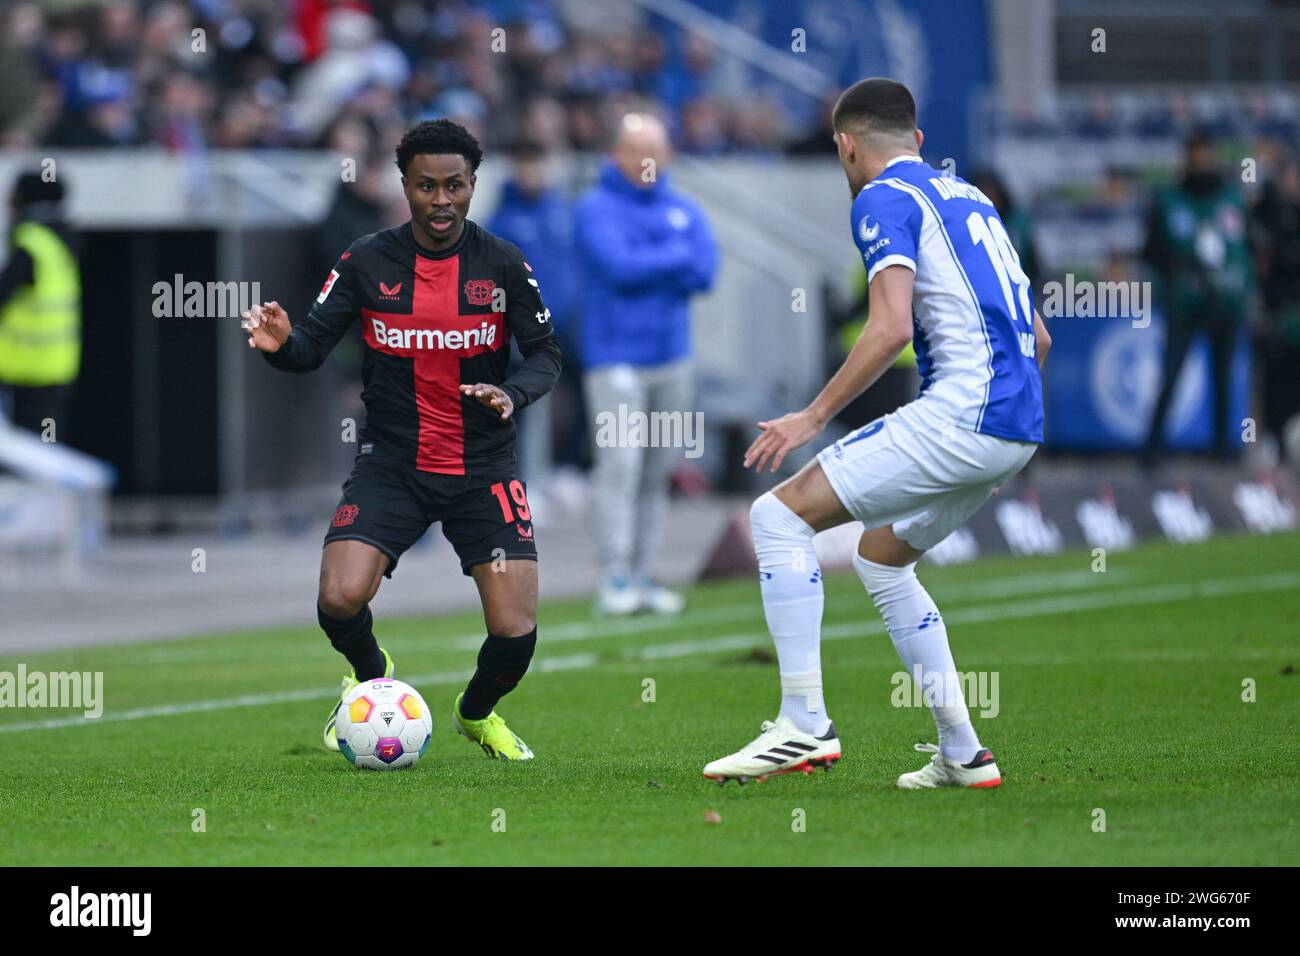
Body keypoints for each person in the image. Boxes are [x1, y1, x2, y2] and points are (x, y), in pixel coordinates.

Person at [703, 78, 1050, 789]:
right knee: (883, 558)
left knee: (776, 516)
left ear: (846, 145)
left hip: (964, 413)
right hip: (1017, 425)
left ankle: (802, 724)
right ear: (919, 141)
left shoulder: (880, 199)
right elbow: (1037, 337)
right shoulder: (973, 198)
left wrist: (811, 416)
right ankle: (963, 753)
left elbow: (888, 326)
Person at [244, 119, 562, 762]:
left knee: (515, 628)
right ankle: (370, 671)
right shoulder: (367, 259)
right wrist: (281, 347)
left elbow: (546, 355)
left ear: (473, 185)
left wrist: (512, 393)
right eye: (426, 186)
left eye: (454, 185)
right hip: (392, 464)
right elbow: (308, 346)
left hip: (483, 467)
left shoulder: (502, 262)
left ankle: (475, 714)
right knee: (337, 598)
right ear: (405, 187)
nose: (440, 200)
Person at [574, 112, 718, 616]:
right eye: (638, 150)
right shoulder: (594, 206)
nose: (649, 160)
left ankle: (641, 573)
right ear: (617, 155)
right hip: (615, 360)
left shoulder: (684, 206)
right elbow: (616, 268)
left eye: (657, 149)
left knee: (657, 472)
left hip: (673, 360)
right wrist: (671, 255)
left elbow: (705, 272)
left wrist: (655, 258)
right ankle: (614, 576)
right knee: (622, 468)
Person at [1141, 130, 1253, 467]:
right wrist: (1174, 279)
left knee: (1224, 379)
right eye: (1196, 154)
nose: (1203, 161)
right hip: (1184, 304)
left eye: (1207, 154)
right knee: (1172, 374)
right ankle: (1152, 451)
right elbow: (1151, 252)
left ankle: (1222, 452)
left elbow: (1243, 250)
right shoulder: (1168, 200)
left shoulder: (1231, 199)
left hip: (1225, 303)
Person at [487, 141, 585, 474]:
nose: (532, 174)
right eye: (525, 166)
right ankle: (522, 477)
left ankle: (570, 469)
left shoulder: (564, 212)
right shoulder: (501, 220)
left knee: (585, 391)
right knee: (521, 403)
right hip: (525, 329)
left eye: (537, 165)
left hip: (567, 324)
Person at [0, 171, 81, 437]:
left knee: (27, 453)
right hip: (56, 365)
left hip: (25, 367)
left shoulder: (32, 244)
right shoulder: (60, 244)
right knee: (45, 447)